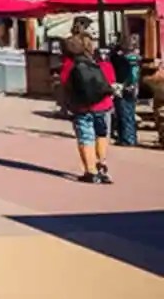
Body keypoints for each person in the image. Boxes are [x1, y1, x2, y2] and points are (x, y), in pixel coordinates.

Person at [60, 22, 116, 183]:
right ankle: (101, 164)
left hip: (82, 107)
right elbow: (111, 81)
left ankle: (90, 172)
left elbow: (64, 83)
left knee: (86, 137)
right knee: (101, 134)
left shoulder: (69, 65)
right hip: (103, 105)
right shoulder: (102, 63)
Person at [109, 34, 141, 146]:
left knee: (124, 113)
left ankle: (127, 139)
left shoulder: (127, 59)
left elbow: (130, 75)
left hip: (125, 87)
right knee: (129, 113)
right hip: (131, 87)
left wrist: (126, 85)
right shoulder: (134, 58)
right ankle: (130, 137)